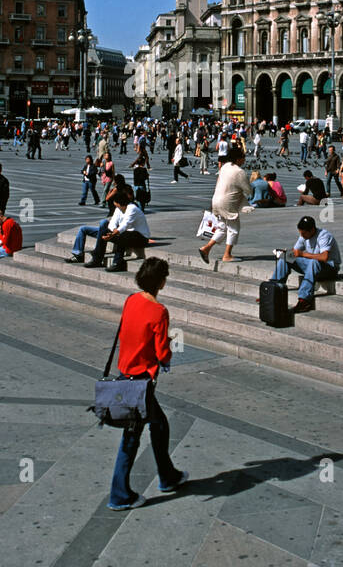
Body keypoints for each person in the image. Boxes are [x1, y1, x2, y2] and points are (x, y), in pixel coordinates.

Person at [106, 257, 187, 510]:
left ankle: (168, 475)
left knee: (159, 425)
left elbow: (130, 332)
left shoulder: (131, 300)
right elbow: (162, 353)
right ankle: (119, 495)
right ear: (161, 281)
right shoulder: (159, 311)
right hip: (140, 382)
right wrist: (170, 343)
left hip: (126, 373)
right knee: (132, 437)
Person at [269, 216, 340, 315]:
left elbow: (324, 257)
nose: (301, 235)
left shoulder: (324, 236)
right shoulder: (304, 236)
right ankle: (273, 290)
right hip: (313, 267)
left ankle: (304, 300)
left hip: (329, 268)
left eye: (303, 233)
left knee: (313, 261)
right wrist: (285, 253)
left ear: (312, 230)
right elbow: (295, 252)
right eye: (300, 233)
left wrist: (302, 254)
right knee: (286, 258)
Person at [198, 143, 253, 264]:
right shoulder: (239, 172)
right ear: (238, 159)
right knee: (233, 228)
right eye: (243, 157)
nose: (244, 159)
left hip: (216, 200)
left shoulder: (225, 166)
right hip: (228, 202)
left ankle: (206, 248)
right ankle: (227, 255)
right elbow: (248, 190)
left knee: (222, 227)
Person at [84, 187, 151, 271]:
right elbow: (112, 223)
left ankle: (118, 262)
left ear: (121, 203)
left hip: (141, 238)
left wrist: (113, 234)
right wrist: (111, 232)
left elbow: (125, 225)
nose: (116, 207)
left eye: (117, 205)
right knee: (104, 230)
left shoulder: (132, 208)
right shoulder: (119, 209)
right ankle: (97, 259)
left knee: (122, 234)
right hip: (128, 235)